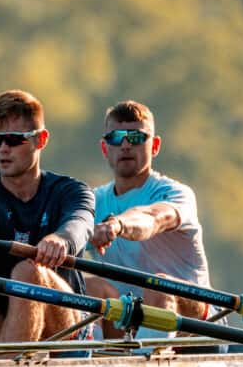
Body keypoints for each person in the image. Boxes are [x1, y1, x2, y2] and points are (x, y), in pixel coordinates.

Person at [0, 90, 99, 342]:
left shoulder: (71, 191)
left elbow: (79, 224)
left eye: (13, 140)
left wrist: (60, 240)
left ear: (40, 139)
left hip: (64, 326)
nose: (3, 149)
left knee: (28, 271)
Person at [88, 100, 211, 339]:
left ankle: (145, 365)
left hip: (196, 326)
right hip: (128, 323)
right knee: (88, 287)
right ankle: (86, 364)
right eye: (116, 137)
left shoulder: (175, 193)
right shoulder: (92, 202)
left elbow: (152, 218)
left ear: (154, 146)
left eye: (135, 137)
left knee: (158, 286)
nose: (125, 145)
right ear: (105, 149)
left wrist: (117, 225)